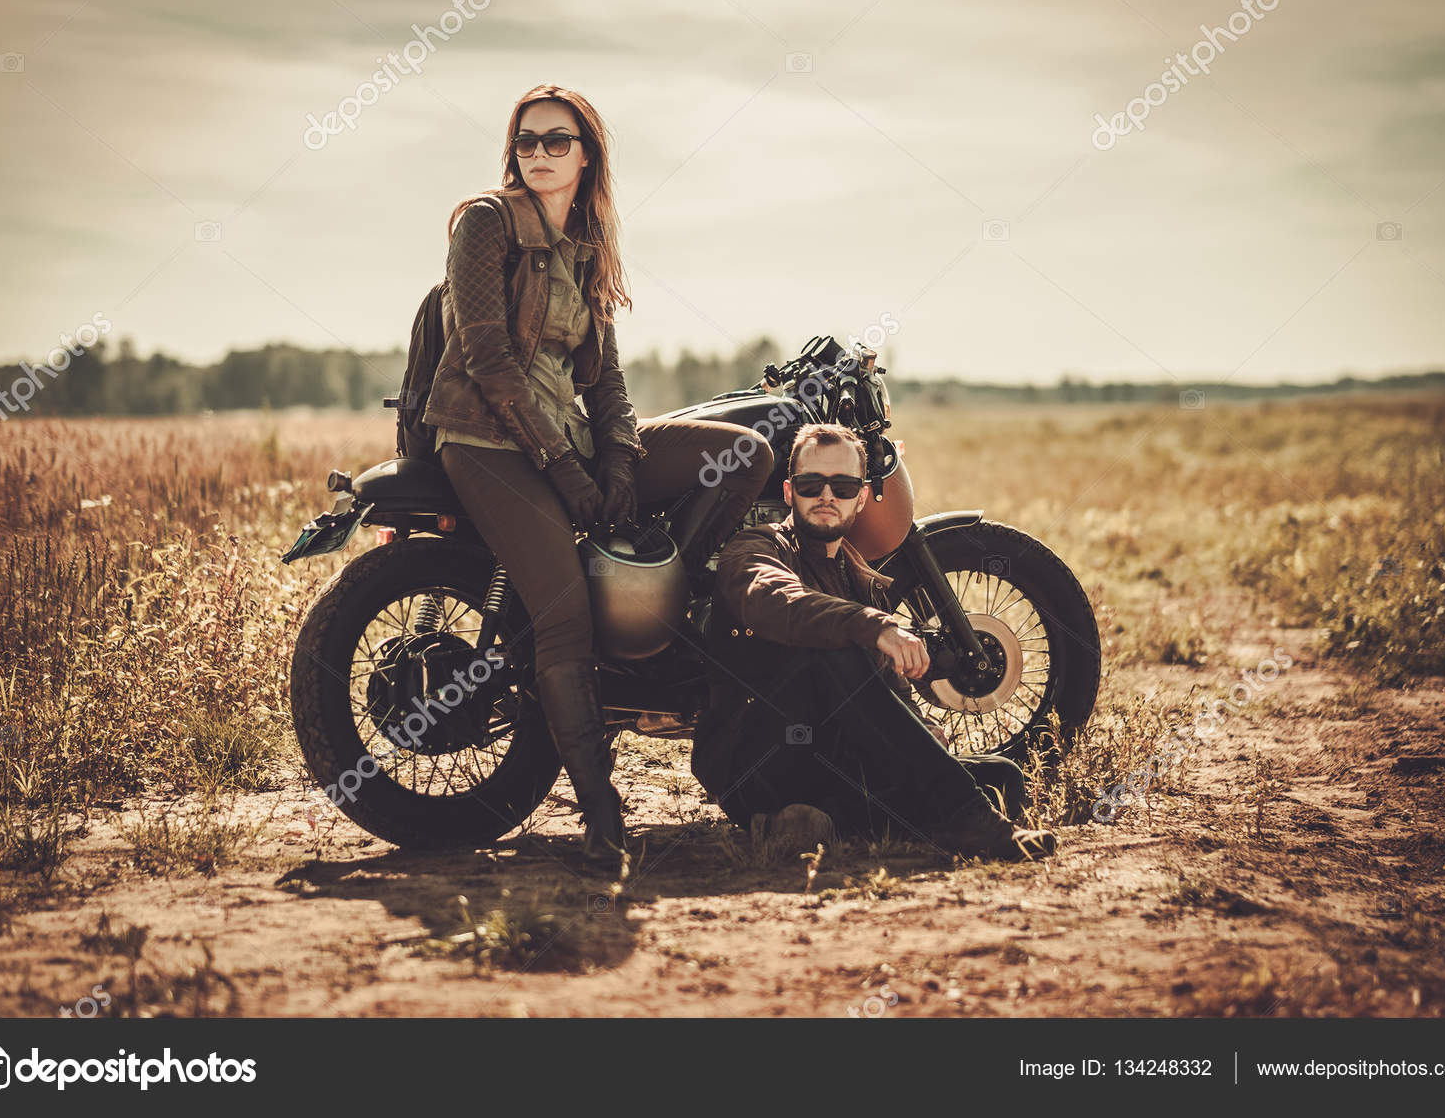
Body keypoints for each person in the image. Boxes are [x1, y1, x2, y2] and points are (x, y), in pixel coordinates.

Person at [422, 84, 773, 864]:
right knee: (564, 622)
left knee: (746, 451)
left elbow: (605, 379)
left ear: (587, 154)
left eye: (556, 141)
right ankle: (603, 814)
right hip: (487, 441)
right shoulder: (485, 223)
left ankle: (661, 610)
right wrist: (563, 470)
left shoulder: (586, 241)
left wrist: (617, 459)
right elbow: (487, 359)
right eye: (526, 141)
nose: (538, 154)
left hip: (571, 438)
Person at [692, 422, 1056, 862]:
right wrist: (873, 625)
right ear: (790, 492)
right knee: (836, 650)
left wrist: (920, 730)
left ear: (861, 498)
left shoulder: (859, 578)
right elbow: (777, 598)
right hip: (759, 759)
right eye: (812, 484)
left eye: (843, 486)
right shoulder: (756, 548)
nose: (827, 496)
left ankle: (824, 822)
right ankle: (967, 819)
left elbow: (883, 687)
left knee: (1005, 777)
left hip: (836, 760)